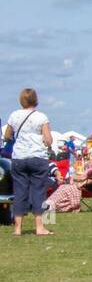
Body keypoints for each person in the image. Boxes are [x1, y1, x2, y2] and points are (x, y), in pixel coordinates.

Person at [2, 87, 55, 235]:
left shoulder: (14, 115)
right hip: (37, 157)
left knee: (20, 192)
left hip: (19, 157)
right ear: (35, 100)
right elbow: (49, 140)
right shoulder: (41, 117)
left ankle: (17, 228)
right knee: (38, 191)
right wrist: (44, 141)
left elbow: (6, 136)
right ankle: (39, 227)